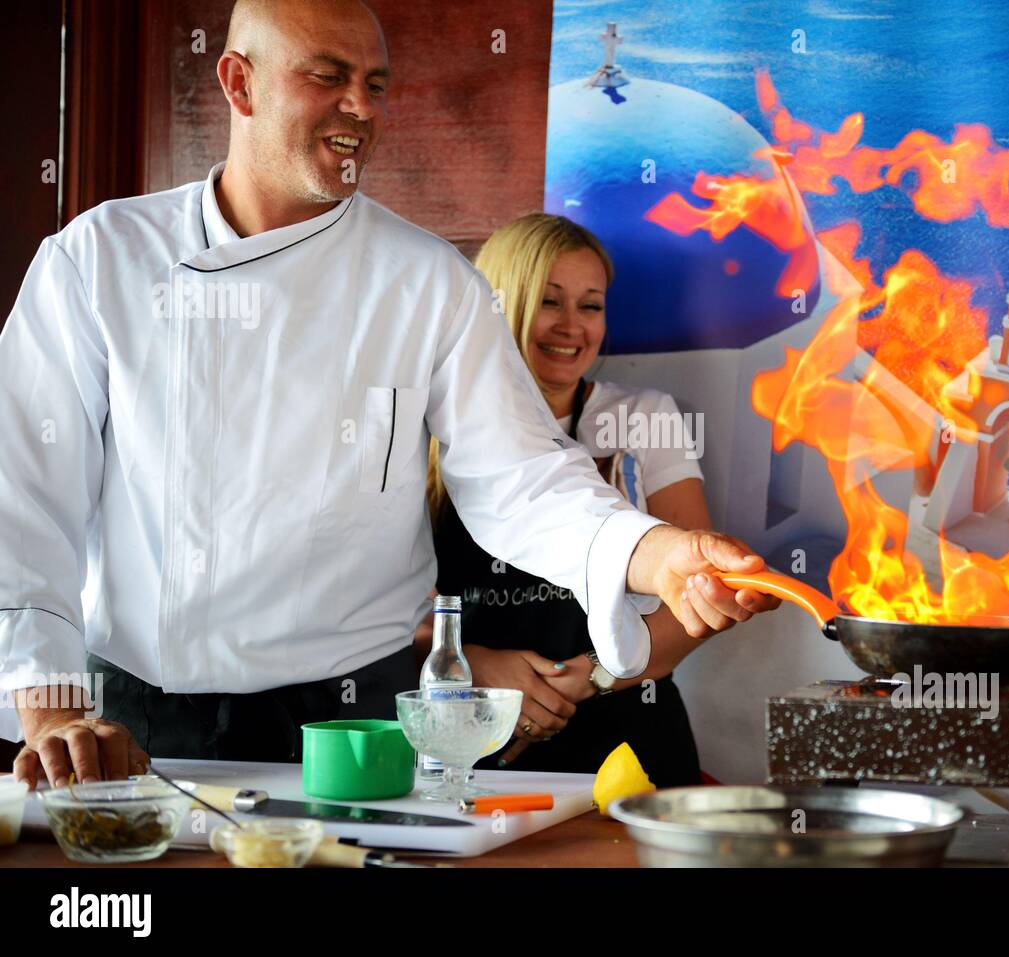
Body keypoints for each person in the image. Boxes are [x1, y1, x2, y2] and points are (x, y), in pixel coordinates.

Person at [0, 0, 778, 789]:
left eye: (375, 85)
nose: (362, 108)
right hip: (134, 722)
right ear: (239, 82)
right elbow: (24, 502)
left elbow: (523, 477)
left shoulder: (429, 282)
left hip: (357, 722)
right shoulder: (99, 262)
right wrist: (53, 712)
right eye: (327, 77)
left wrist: (654, 552)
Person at [425, 214, 711, 786]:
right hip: (474, 728)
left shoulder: (644, 416)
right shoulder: (429, 426)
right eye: (549, 301)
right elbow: (381, 605)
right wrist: (471, 664)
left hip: (627, 729)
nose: (572, 326)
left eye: (591, 305)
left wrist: (595, 675)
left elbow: (698, 591)